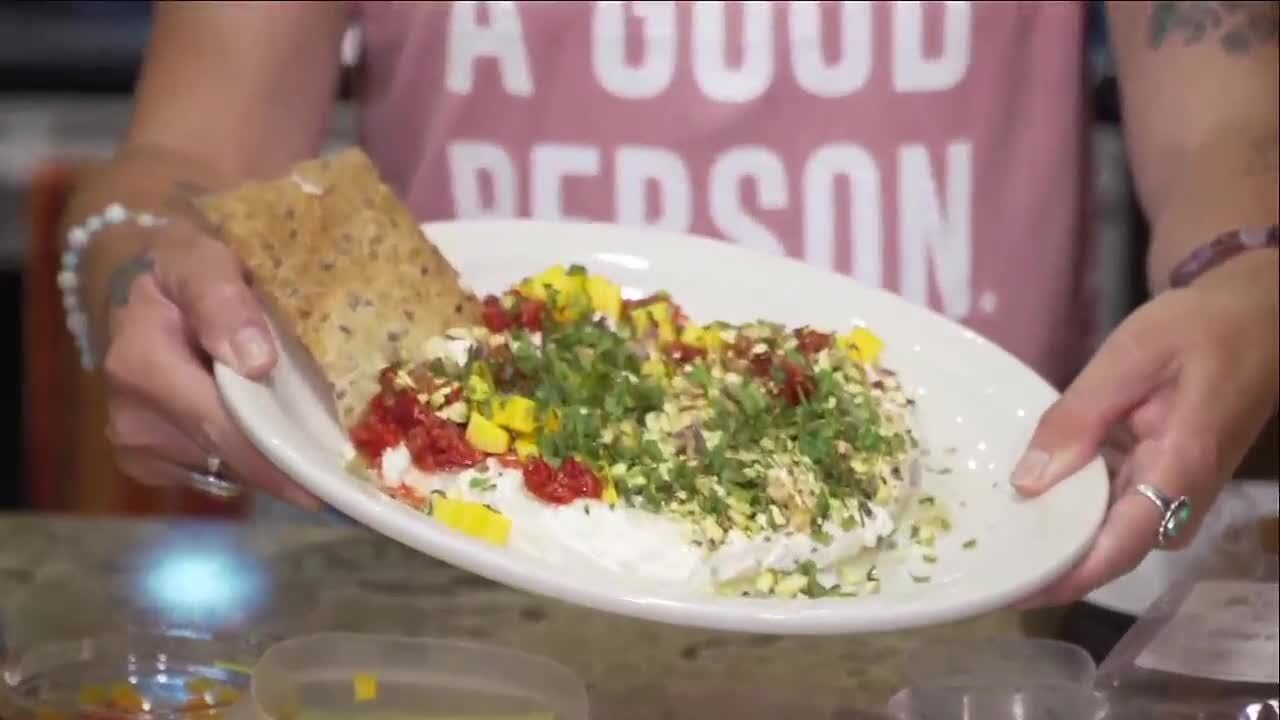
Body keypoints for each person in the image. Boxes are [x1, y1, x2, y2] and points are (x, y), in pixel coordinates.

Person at [63, 1, 1278, 606]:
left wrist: (1251, 274)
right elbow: (179, 157)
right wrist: (142, 276)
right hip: (438, 595)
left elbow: (1231, 121)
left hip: (960, 581)